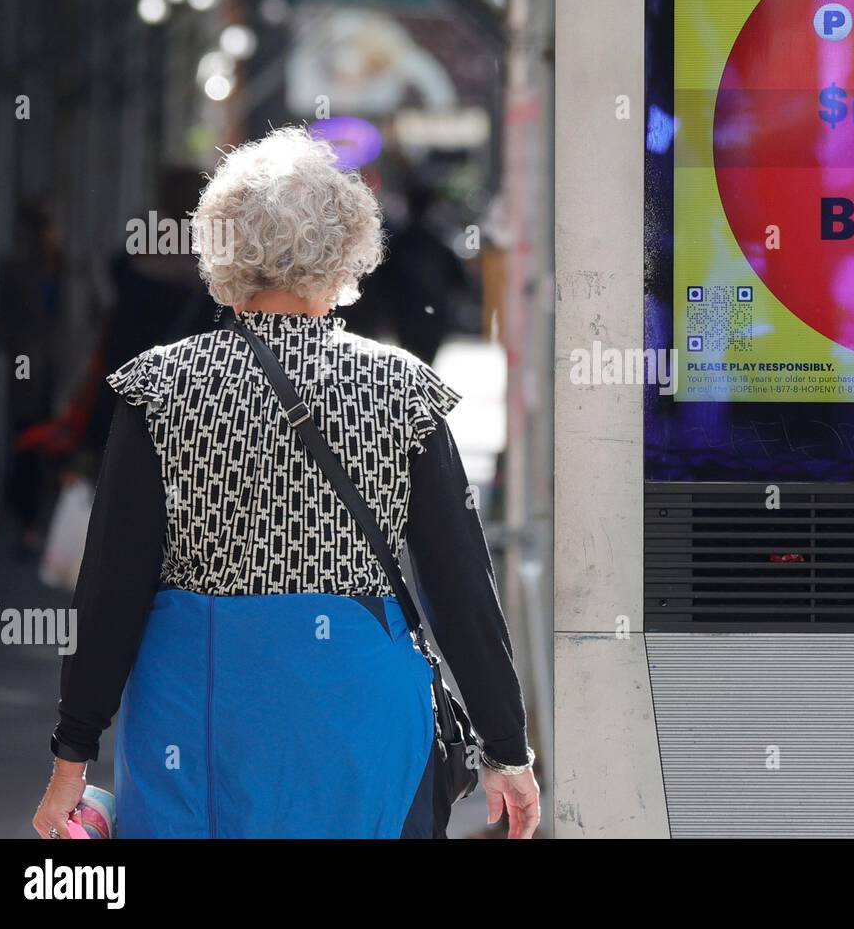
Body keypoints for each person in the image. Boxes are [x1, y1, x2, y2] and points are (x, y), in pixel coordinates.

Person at [32, 127, 539, 839]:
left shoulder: (160, 386)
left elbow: (113, 583)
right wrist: (506, 748)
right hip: (360, 716)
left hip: (198, 710)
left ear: (222, 248)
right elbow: (460, 586)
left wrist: (71, 759)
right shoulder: (402, 392)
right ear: (348, 250)